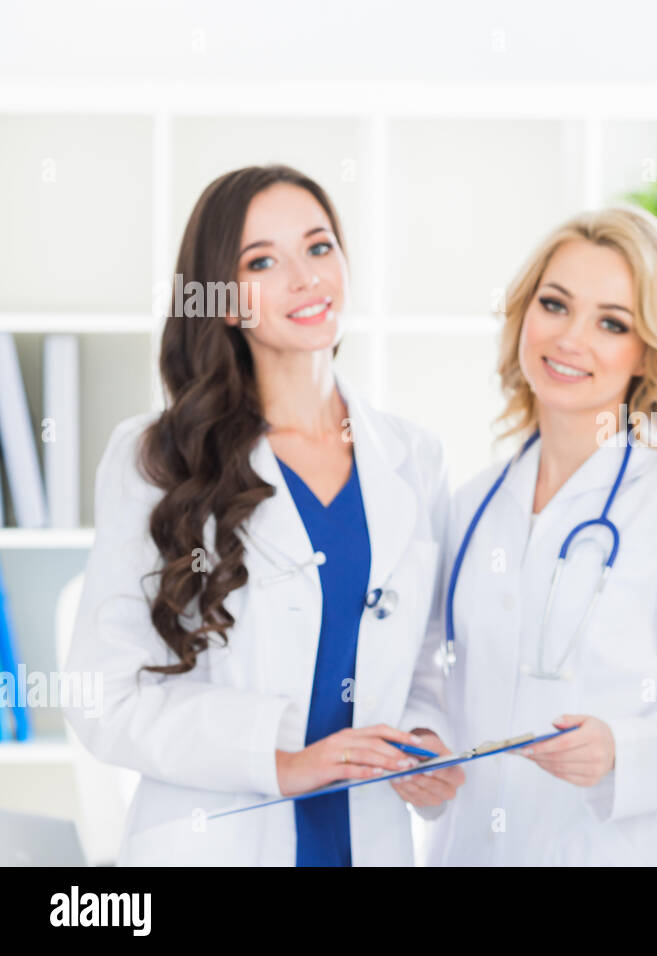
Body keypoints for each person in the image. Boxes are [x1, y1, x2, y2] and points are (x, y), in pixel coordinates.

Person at [64, 164, 464, 866]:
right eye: (262, 262)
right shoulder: (156, 458)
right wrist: (282, 760)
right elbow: (104, 698)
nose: (306, 279)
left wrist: (424, 743)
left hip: (364, 839)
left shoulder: (413, 458)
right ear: (222, 299)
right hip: (217, 840)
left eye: (318, 247)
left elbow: (427, 661)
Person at [422, 206, 657, 865]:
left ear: (645, 350)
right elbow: (433, 671)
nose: (571, 339)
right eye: (555, 305)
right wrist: (424, 739)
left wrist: (623, 750)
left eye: (612, 322)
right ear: (523, 315)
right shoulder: (470, 503)